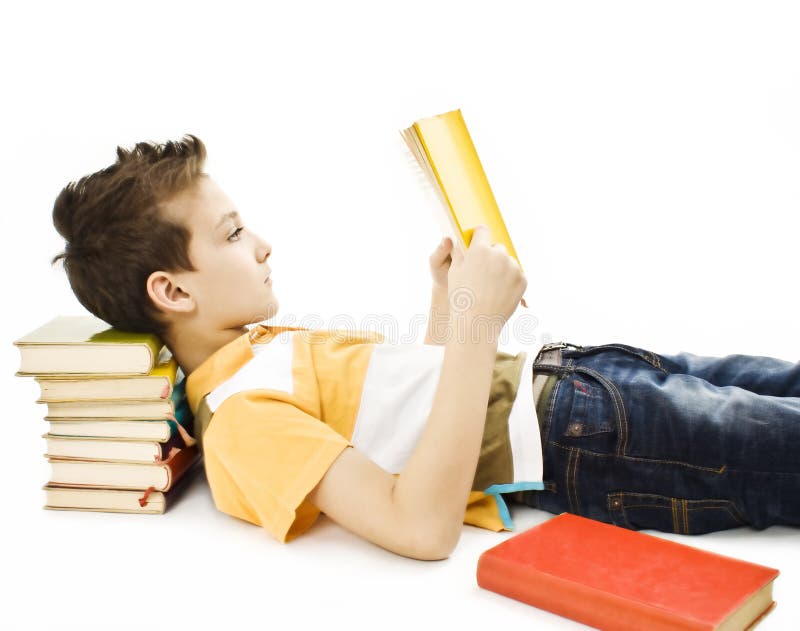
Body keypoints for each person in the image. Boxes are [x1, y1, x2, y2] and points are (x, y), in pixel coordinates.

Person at [50, 134, 800, 561]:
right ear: (173, 292)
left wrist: (446, 309)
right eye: (234, 234)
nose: (264, 243)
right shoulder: (243, 419)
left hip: (579, 379)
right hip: (583, 436)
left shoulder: (256, 351)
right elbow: (419, 522)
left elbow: (412, 422)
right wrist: (475, 325)